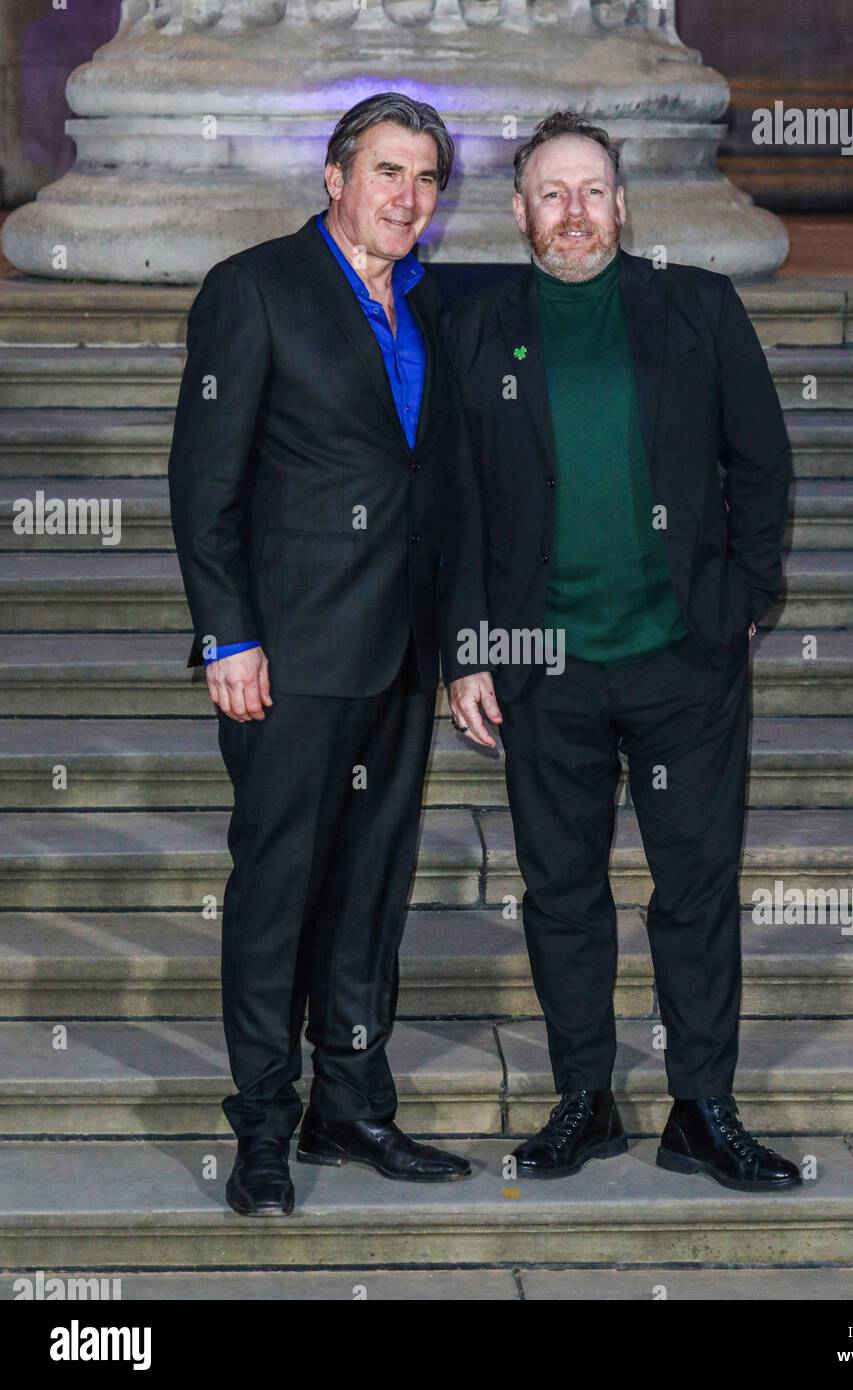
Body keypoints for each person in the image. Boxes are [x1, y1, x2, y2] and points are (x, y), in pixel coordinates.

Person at [442, 111, 801, 1192]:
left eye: (592, 190)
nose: (573, 212)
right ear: (519, 213)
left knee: (693, 888)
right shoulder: (478, 329)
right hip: (540, 664)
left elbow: (762, 466)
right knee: (560, 893)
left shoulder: (694, 307)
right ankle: (582, 1099)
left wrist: (740, 599)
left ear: (622, 204)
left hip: (679, 657)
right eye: (551, 193)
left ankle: (700, 1105)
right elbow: (452, 508)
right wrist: (467, 651)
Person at [169, 92, 483, 1216]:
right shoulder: (254, 290)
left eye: (426, 179)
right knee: (278, 890)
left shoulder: (431, 303)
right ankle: (261, 1122)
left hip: (396, 655)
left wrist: (455, 650)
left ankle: (349, 1100)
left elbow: (438, 491)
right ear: (334, 176)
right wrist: (230, 632)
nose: (407, 197)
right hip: (289, 656)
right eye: (388, 171)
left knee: (370, 889)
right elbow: (204, 486)